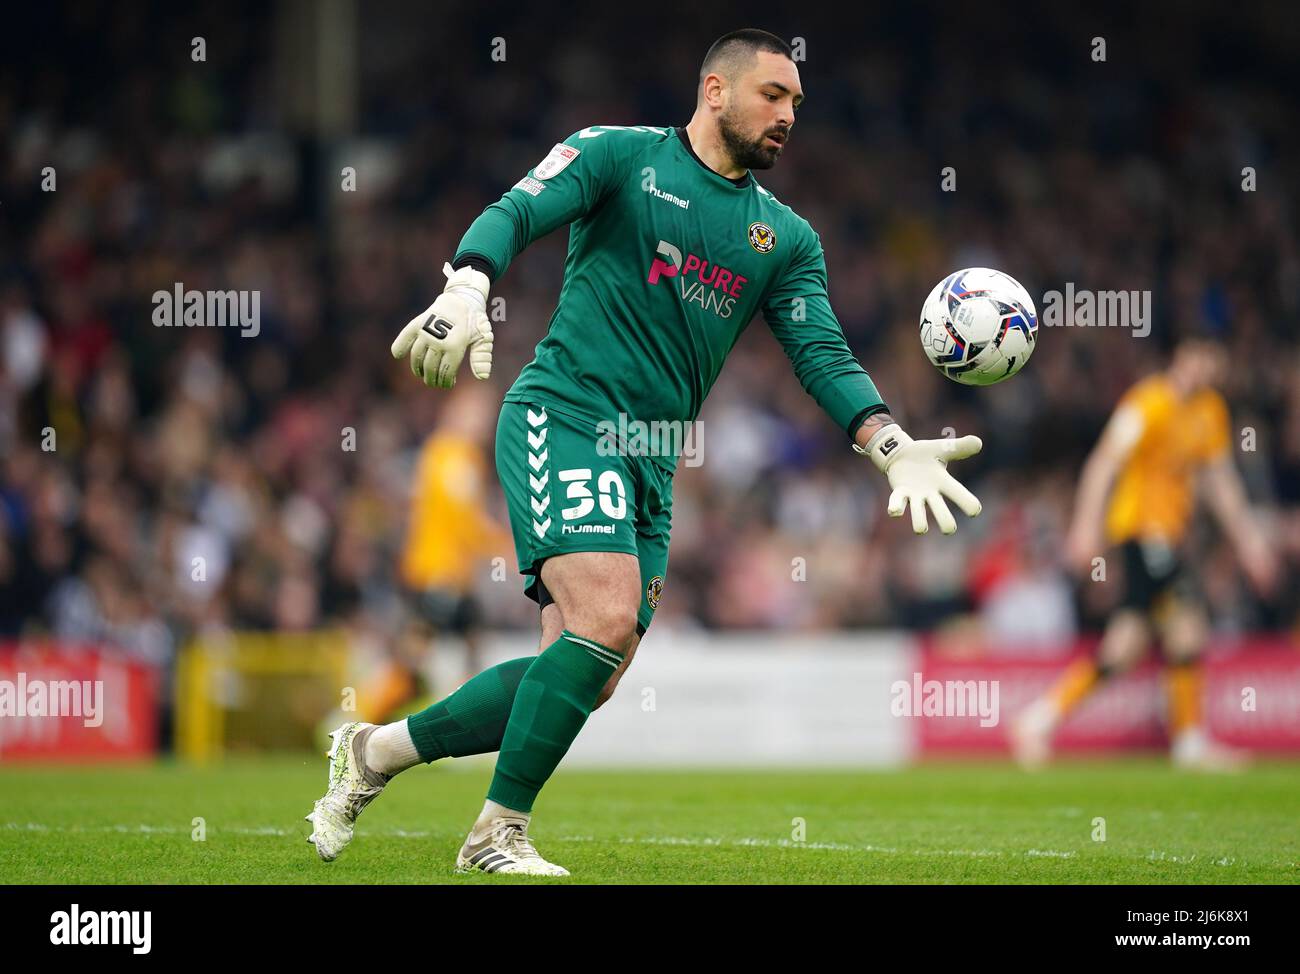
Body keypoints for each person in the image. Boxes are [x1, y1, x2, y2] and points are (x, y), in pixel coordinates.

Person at [308, 28, 983, 876]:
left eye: (797, 105)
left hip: (653, 462)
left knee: (587, 669)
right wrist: (470, 283)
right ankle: (495, 834)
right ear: (714, 92)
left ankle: (375, 753)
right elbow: (518, 209)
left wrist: (888, 444)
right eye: (772, 96)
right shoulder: (620, 158)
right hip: (566, 415)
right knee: (604, 617)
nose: (787, 117)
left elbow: (822, 353)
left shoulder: (786, 238)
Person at [1012, 338, 1278, 771]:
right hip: (1141, 533)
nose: (1204, 369)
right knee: (1187, 627)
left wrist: (1249, 541)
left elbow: (1219, 481)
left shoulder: (1210, 412)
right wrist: (1085, 527)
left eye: (1214, 361)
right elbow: (1104, 462)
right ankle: (1189, 743)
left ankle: (1038, 720)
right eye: (1198, 357)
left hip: (1171, 537)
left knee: (1125, 646)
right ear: (1180, 357)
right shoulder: (1148, 403)